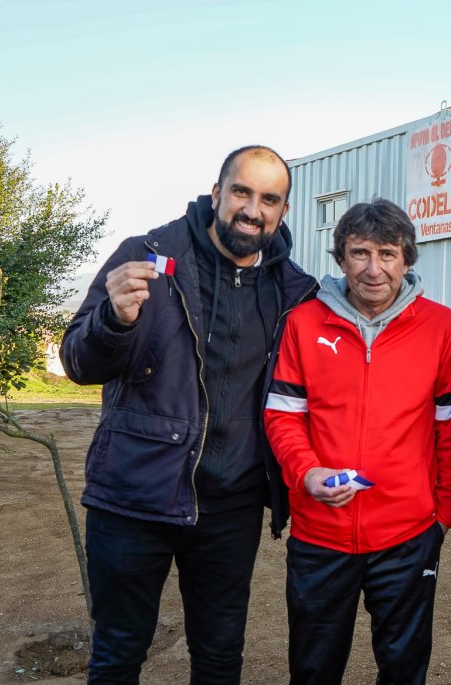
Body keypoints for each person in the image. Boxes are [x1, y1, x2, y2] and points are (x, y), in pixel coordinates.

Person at [60, 145, 318, 683]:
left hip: (232, 507)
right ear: (217, 191)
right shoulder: (147, 255)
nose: (253, 209)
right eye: (242, 192)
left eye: (269, 199)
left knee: (220, 659)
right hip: (136, 495)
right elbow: (77, 362)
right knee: (117, 655)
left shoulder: (293, 290)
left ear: (283, 211)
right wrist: (114, 319)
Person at [263, 199, 451, 685]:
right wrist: (308, 474)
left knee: (402, 670)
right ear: (340, 258)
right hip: (320, 535)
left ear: (407, 259)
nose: (373, 269)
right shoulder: (304, 322)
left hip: (408, 536)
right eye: (359, 253)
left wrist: (442, 515)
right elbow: (284, 417)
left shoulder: (441, 327)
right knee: (313, 670)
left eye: (387, 254)